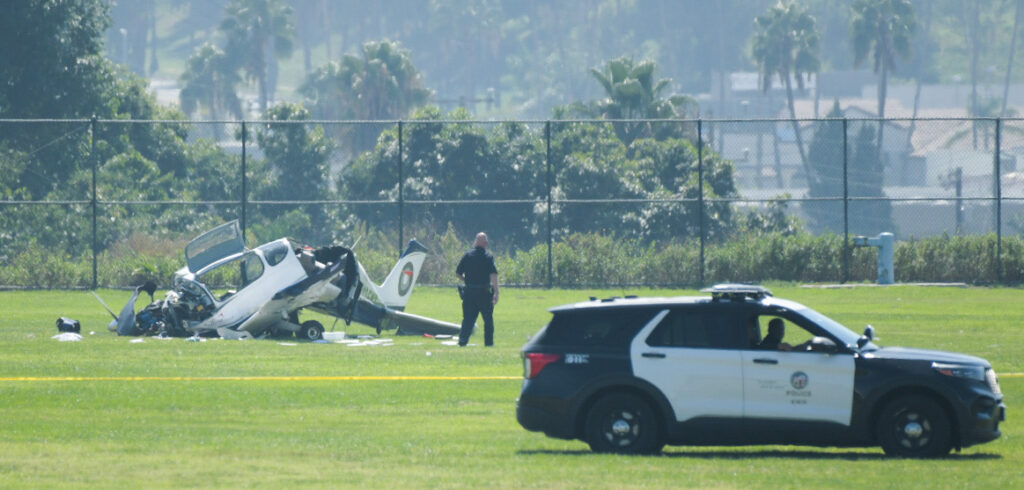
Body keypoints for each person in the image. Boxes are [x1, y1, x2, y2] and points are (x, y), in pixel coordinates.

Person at [456, 232, 499, 346]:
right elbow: (493, 275)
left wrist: (466, 280)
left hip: (470, 293)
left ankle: (462, 341)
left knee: (468, 320)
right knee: (488, 320)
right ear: (485, 243)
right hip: (484, 293)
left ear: (476, 242)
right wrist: (496, 292)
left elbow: (458, 273)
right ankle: (489, 343)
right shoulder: (488, 257)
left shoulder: (468, 256)